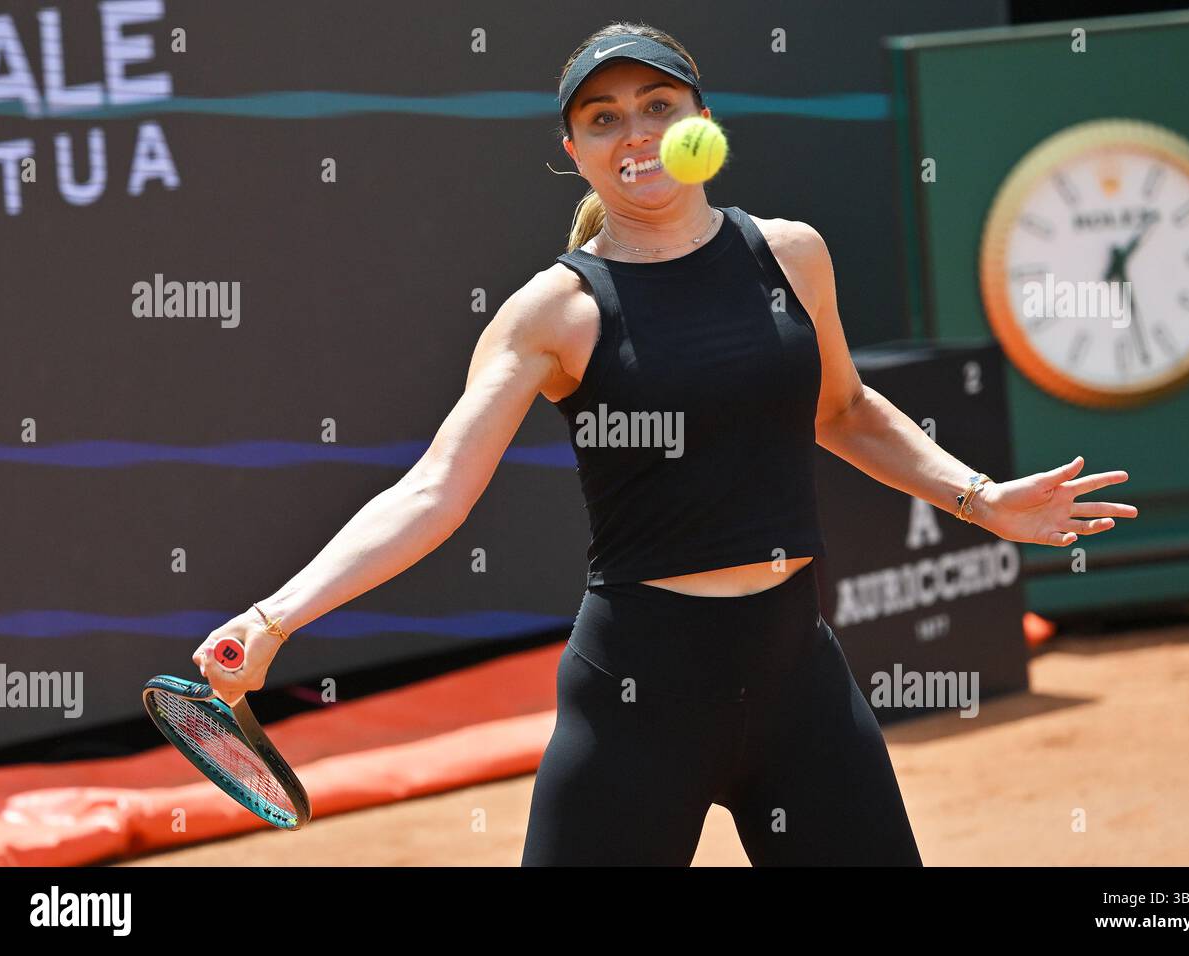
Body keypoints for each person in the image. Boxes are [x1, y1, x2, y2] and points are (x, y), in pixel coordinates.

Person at [192, 22, 1137, 866]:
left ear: (702, 122)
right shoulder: (554, 311)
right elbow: (436, 490)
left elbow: (842, 410)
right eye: (602, 119)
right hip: (638, 698)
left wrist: (978, 497)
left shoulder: (791, 255)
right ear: (574, 151)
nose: (635, 131)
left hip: (796, 681)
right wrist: (274, 619)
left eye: (658, 105)